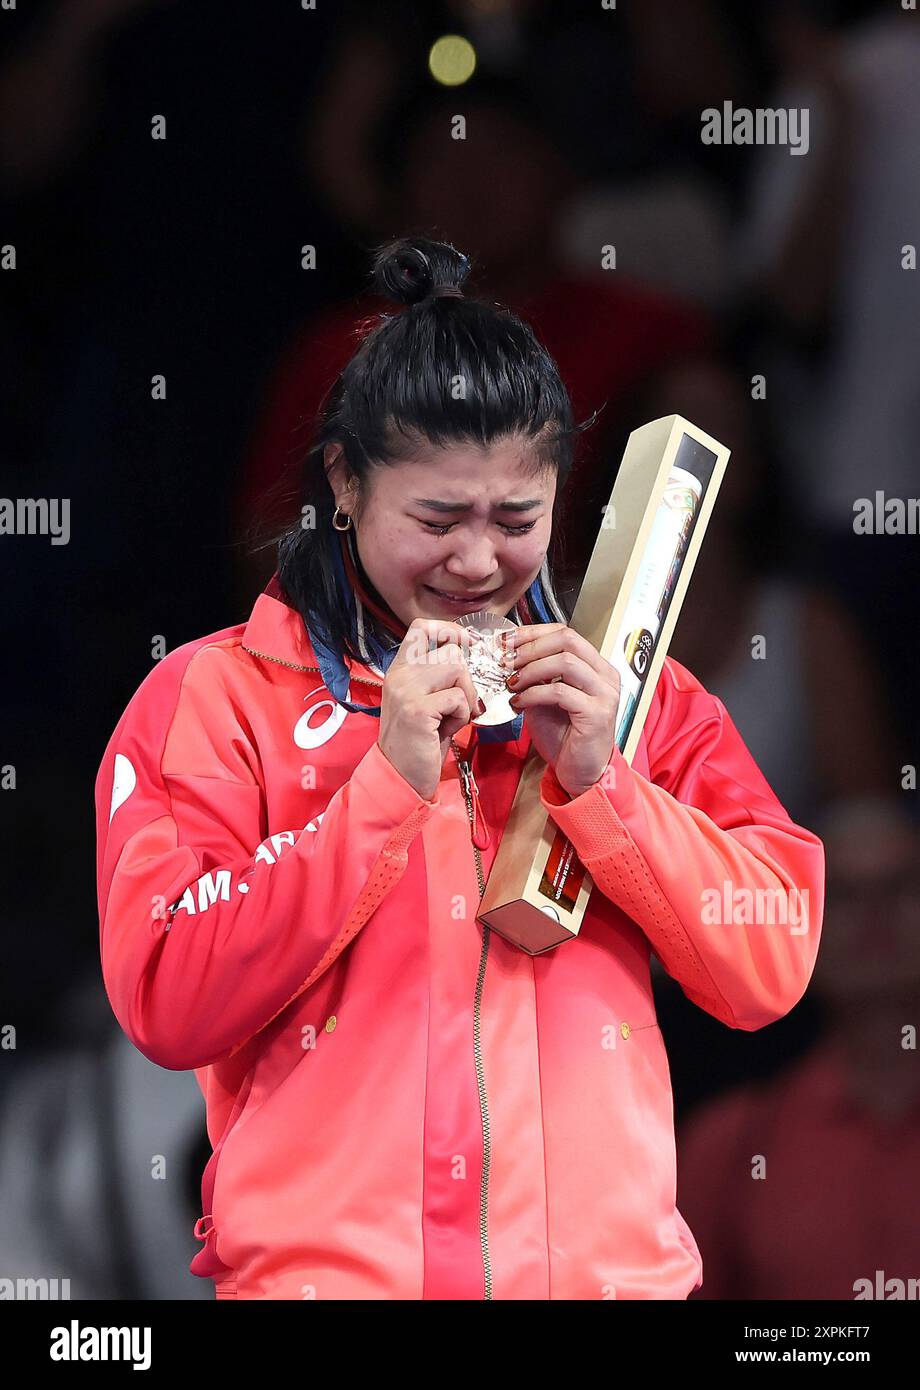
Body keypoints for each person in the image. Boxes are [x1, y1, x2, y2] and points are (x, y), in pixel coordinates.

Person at [94, 236, 826, 1300]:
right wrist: (380, 790)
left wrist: (603, 788)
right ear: (344, 482)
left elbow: (770, 961)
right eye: (435, 518)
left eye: (514, 518)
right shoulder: (220, 697)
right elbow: (166, 995)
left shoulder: (628, 695)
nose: (476, 560)